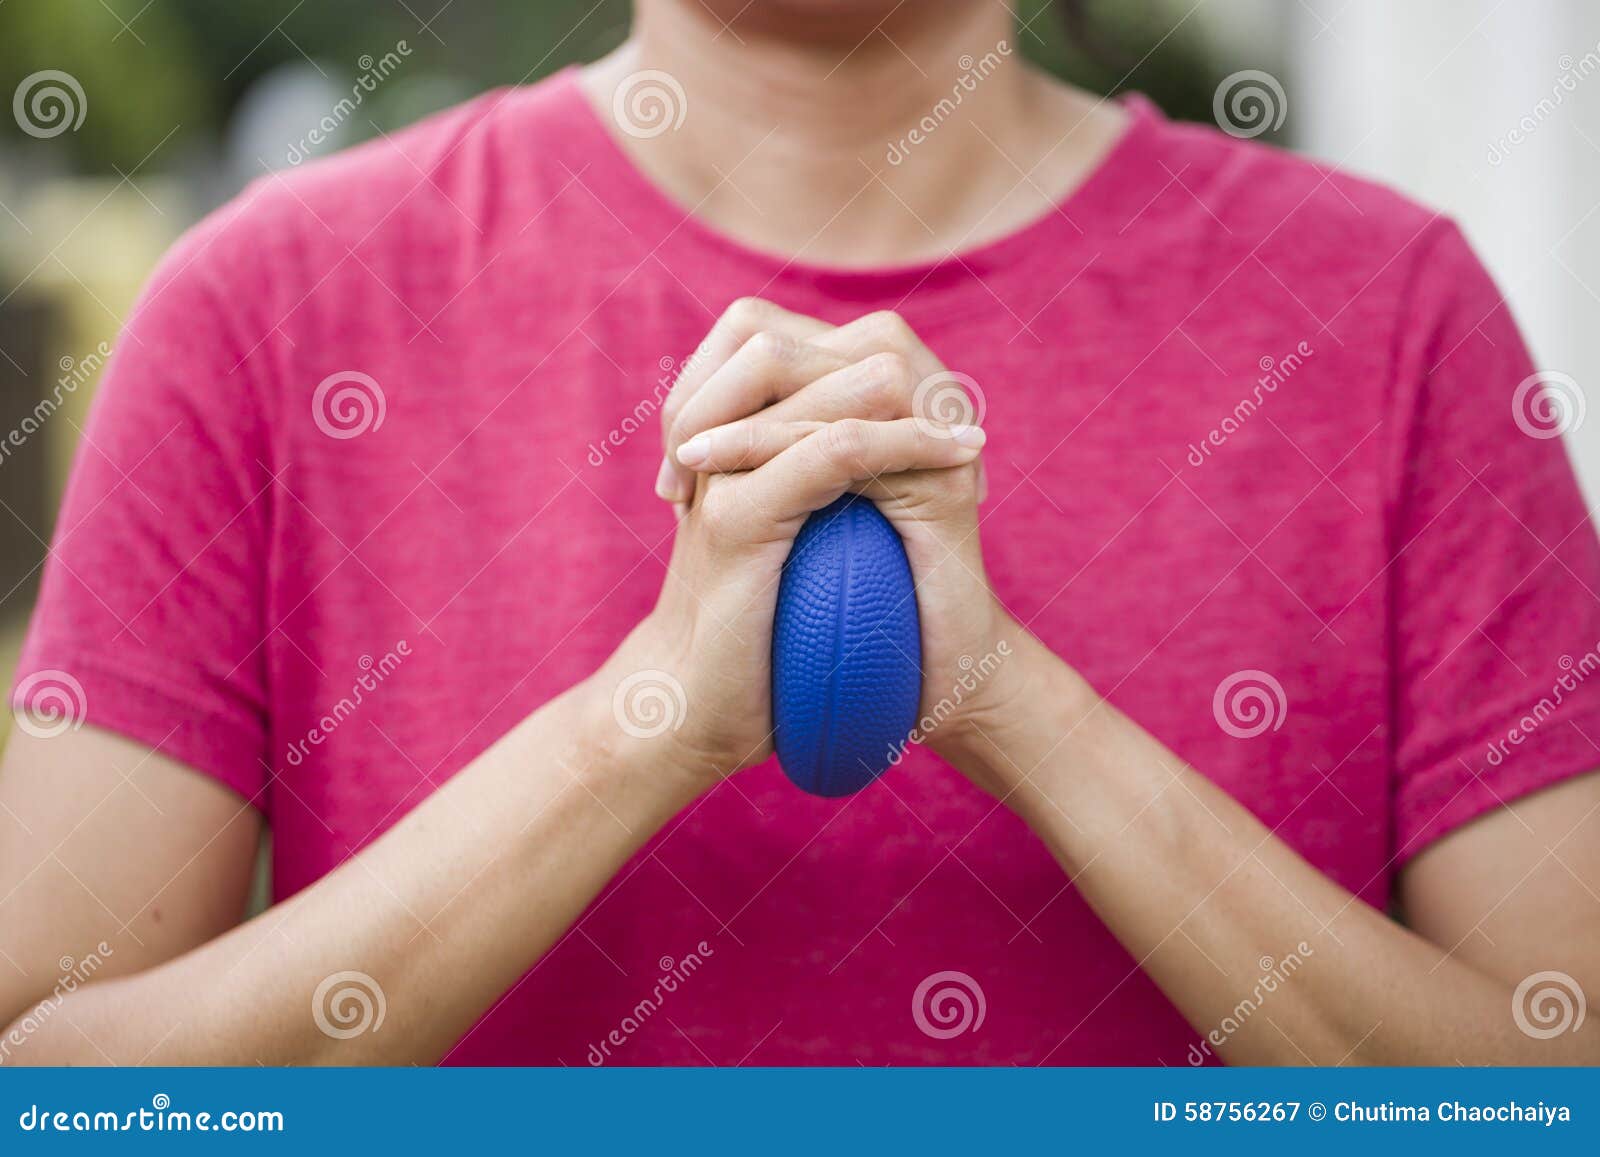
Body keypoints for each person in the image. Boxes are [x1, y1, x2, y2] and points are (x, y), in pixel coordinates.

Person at [2, 0, 1597, 1066]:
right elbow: (55, 1088)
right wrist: (644, 725)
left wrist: (1016, 706)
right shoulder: (270, 308)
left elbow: (1556, 1082)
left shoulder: (1385, 313)